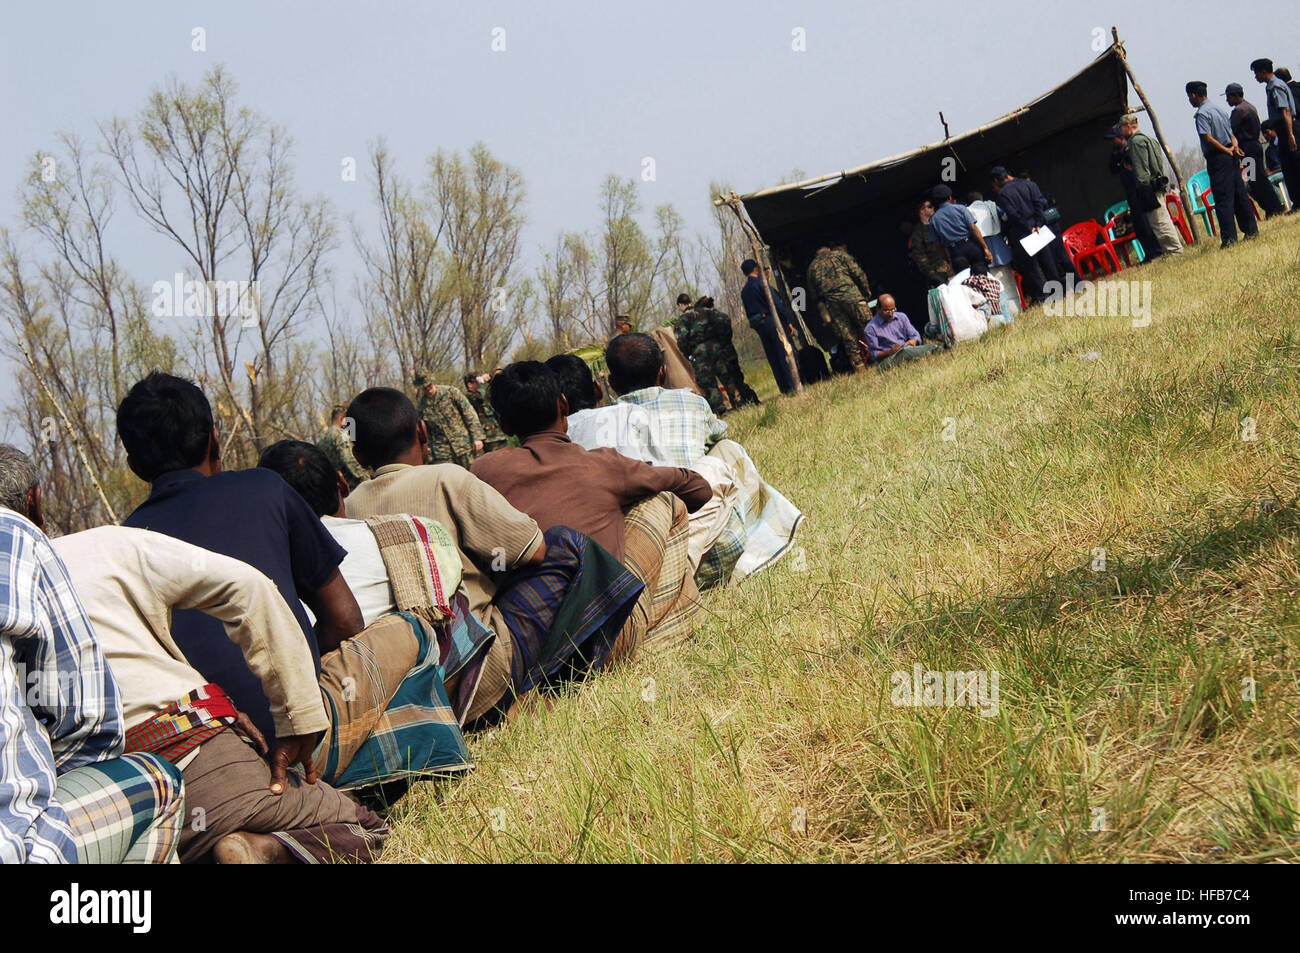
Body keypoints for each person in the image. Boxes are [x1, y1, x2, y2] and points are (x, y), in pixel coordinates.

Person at [37, 478, 387, 864]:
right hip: (190, 759)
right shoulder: (101, 545)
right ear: (37, 502)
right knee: (366, 827)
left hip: (82, 814)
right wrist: (297, 717)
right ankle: (261, 848)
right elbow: (249, 589)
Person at [342, 387, 646, 719]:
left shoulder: (348, 510)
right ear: (422, 430)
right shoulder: (447, 478)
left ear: (357, 457)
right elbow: (533, 549)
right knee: (563, 544)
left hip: (397, 686)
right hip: (471, 675)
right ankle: (558, 676)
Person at [117, 373, 365, 742]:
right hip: (303, 735)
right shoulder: (265, 488)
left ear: (134, 466)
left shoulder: (126, 541)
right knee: (411, 632)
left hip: (212, 753)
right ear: (215, 441)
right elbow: (345, 622)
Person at [1, 448, 184, 864]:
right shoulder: (16, 536)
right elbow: (89, 723)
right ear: (35, 502)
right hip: (18, 845)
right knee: (159, 779)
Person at [259, 440, 498, 742]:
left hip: (319, 721)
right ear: (341, 482)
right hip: (398, 702)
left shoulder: (262, 572)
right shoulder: (406, 532)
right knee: (454, 606)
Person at [584, 334, 805, 590]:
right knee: (728, 450)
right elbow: (718, 438)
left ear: (611, 383)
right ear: (663, 372)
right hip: (714, 556)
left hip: (647, 563)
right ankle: (764, 535)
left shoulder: (602, 425)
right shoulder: (691, 402)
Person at [1187, 81, 1259, 247]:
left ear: (1193, 95)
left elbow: (1207, 137)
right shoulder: (1219, 109)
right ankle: (1251, 230)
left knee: (1222, 199)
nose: (1190, 101)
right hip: (1231, 154)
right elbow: (1231, 133)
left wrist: (1226, 150)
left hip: (1218, 158)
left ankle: (1229, 239)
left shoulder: (1202, 114)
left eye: (1189, 97)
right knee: (1239, 194)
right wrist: (1233, 146)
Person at [1117, 114, 1185, 256]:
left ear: (1128, 126)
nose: (1120, 131)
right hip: (1158, 184)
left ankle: (1175, 252)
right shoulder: (1150, 139)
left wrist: (1142, 189)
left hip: (1149, 188)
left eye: (1121, 127)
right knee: (1163, 219)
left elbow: (1142, 169)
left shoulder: (1135, 142)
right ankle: (1174, 250)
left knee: (1159, 223)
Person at [991, 167, 1061, 300]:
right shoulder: (1028, 184)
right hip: (1040, 228)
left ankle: (1043, 296)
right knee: (1048, 261)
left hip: (1023, 232)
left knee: (1032, 266)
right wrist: (1038, 224)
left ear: (996, 180)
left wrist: (1029, 227)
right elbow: (1039, 204)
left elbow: (1013, 214)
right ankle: (1058, 291)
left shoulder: (1004, 194)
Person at [805, 243, 873, 374]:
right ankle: (879, 354)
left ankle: (860, 368)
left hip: (833, 305)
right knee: (868, 326)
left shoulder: (812, 268)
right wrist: (866, 290)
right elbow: (858, 273)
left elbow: (814, 295)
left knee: (848, 335)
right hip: (852, 297)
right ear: (828, 248)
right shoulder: (840, 256)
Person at [1227, 82, 1286, 217]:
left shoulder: (1238, 111)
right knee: (1260, 178)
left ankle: (1272, 208)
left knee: (1254, 181)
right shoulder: (1250, 106)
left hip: (1247, 148)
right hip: (1256, 145)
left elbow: (1232, 130)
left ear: (1236, 96)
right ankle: (1274, 206)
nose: (1227, 100)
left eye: (1229, 97)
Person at [1106, 123, 1162, 261]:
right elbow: (1113, 169)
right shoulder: (1118, 153)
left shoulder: (1131, 149)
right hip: (1130, 193)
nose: (1112, 143)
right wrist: (1115, 155)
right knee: (1138, 225)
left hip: (1139, 190)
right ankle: (1149, 253)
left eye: (1113, 140)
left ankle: (1157, 251)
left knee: (1146, 223)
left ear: (1120, 138)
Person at [739, 261, 799, 392]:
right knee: (781, 353)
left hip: (759, 326)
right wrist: (787, 321)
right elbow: (776, 304)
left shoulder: (744, 291)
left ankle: (783, 388)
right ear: (756, 269)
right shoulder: (762, 284)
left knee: (772, 357)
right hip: (771, 321)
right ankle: (791, 386)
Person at [1252, 58, 1300, 213]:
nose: (1255, 77)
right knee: (1289, 166)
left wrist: (1290, 134)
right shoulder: (1273, 86)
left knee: (1294, 164)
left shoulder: (1275, 87)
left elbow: (1285, 110)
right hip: (1285, 128)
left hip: (1287, 128)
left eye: (1256, 73)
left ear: (1263, 72)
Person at [412, 367, 484, 468]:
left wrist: (477, 437)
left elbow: (469, 414)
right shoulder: (421, 407)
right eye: (424, 387)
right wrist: (430, 455)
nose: (428, 388)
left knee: (475, 476)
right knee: (450, 482)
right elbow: (426, 434)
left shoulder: (451, 393)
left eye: (429, 384)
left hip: (464, 446)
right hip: (442, 454)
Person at [702, 295, 760, 410]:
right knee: (738, 377)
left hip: (719, 355)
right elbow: (729, 333)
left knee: (728, 380)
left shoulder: (707, 322)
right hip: (730, 350)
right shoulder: (722, 316)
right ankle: (750, 399)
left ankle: (738, 404)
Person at [675, 296, 730, 415]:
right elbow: (723, 321)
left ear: (680, 305)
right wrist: (722, 341)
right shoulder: (706, 312)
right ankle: (739, 400)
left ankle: (720, 408)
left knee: (708, 381)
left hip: (699, 352)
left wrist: (688, 353)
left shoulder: (683, 319)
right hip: (715, 346)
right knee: (725, 374)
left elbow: (682, 340)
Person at [928, 185, 993, 277]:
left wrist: (947, 261)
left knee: (964, 280)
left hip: (955, 252)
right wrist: (985, 248)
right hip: (972, 246)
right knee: (984, 275)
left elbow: (937, 245)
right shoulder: (961, 208)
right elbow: (973, 228)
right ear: (950, 197)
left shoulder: (933, 220)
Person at [864, 294, 940, 370]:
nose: (890, 314)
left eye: (893, 309)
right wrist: (890, 352)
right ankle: (933, 349)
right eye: (886, 311)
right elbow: (874, 354)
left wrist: (914, 340)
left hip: (906, 349)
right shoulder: (871, 328)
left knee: (906, 351)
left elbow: (915, 335)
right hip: (887, 360)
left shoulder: (901, 317)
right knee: (904, 352)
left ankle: (927, 351)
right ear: (878, 309)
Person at [316, 402, 368, 490]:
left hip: (333, 486)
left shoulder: (323, 436)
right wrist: (365, 477)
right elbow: (348, 459)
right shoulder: (341, 434)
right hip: (349, 486)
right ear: (343, 418)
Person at [908, 199, 954, 287]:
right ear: (922, 211)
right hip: (938, 272)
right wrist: (932, 274)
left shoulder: (938, 222)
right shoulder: (918, 233)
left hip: (951, 266)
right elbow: (920, 257)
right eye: (929, 206)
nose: (933, 208)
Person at [464, 374, 508, 452]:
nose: (479, 384)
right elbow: (484, 400)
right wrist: (482, 384)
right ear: (470, 385)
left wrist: (490, 381)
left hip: (499, 433)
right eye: (476, 382)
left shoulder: (483, 392)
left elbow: (496, 393)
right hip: (488, 436)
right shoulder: (469, 397)